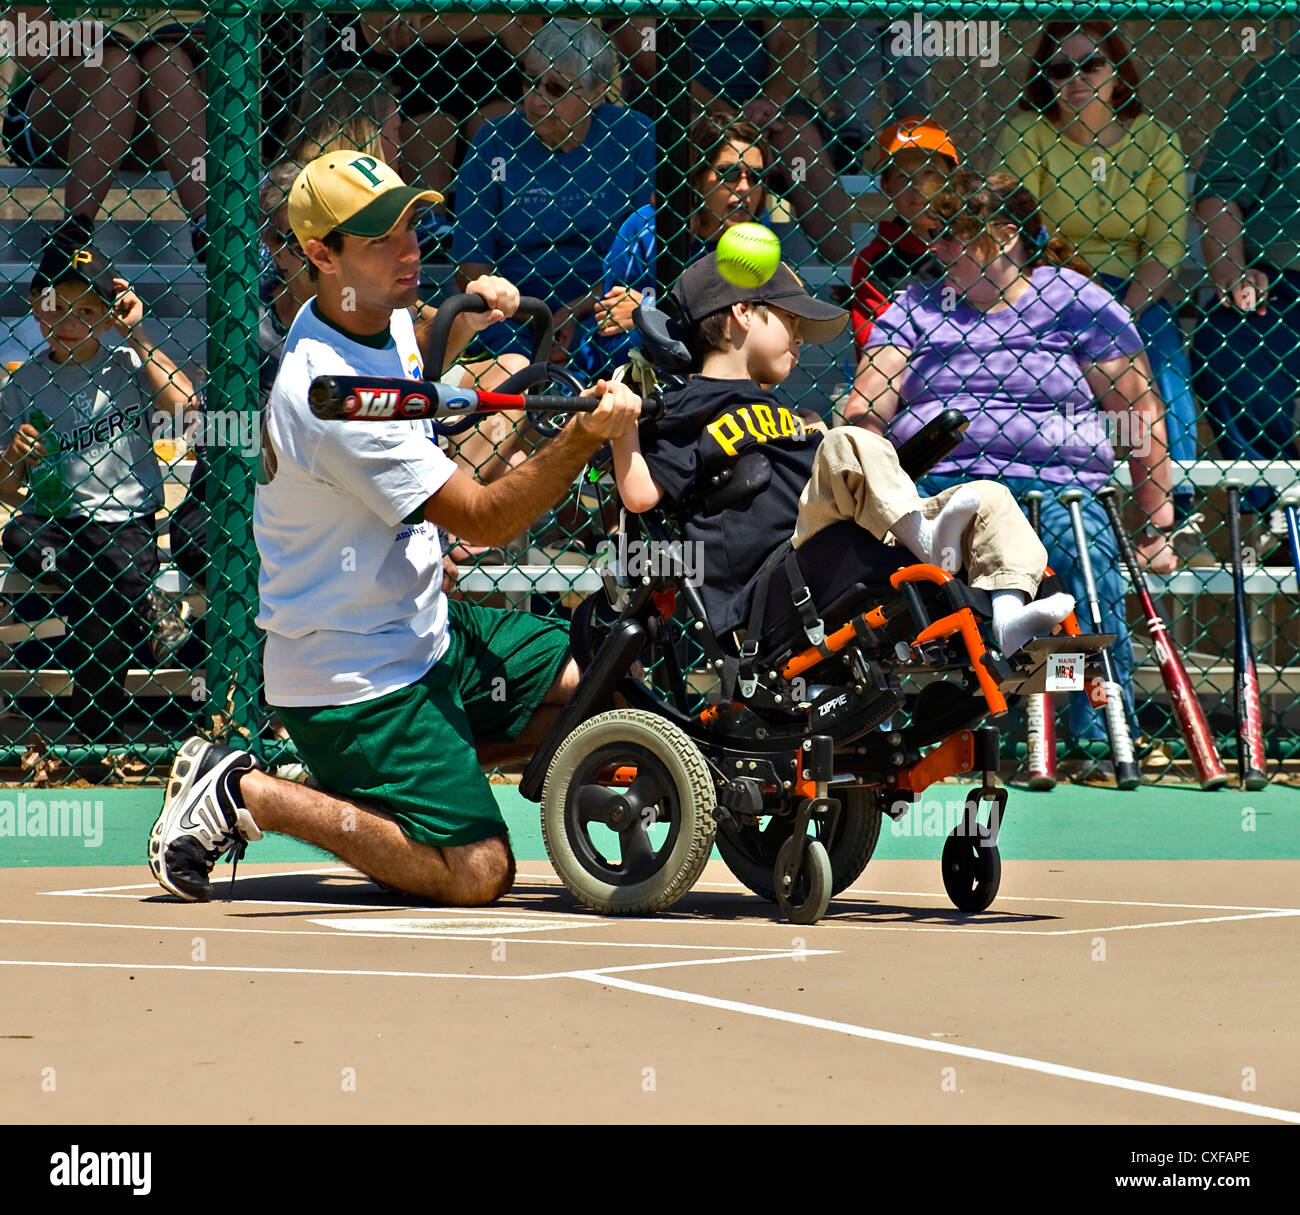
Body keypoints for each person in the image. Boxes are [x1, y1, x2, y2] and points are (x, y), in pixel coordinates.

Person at [147, 151, 641, 905]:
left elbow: (412, 371)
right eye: (380, 238)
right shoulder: (331, 393)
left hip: (421, 632)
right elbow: (488, 514)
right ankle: (247, 791)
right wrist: (581, 440)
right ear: (321, 254)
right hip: (353, 678)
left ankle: (366, 788)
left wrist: (463, 315)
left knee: (601, 681)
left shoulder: (372, 315)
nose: (409, 249)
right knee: (477, 871)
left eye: (411, 226)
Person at [844, 169, 1177, 776]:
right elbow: (870, 399)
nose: (934, 249)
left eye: (949, 236)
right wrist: (871, 459)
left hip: (1059, 491)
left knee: (1085, 563)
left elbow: (1135, 405)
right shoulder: (917, 306)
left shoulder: (1076, 299)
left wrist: (1157, 521)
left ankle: (1096, 730)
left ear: (999, 238)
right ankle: (927, 728)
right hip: (950, 492)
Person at [608, 252, 1074, 663]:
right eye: (790, 320)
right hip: (772, 584)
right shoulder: (686, 407)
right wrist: (622, 428)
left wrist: (807, 434)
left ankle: (1008, 613)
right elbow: (641, 496)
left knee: (988, 496)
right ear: (743, 313)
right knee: (846, 439)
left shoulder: (783, 413)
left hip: (828, 549)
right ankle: (927, 543)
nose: (801, 337)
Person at [996, 22, 1196, 521]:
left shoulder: (1155, 139)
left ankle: (1178, 505)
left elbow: (1166, 244)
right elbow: (1020, 229)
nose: (1077, 79)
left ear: (1117, 72)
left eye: (1091, 65)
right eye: (1062, 68)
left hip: (1134, 289)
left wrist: (1117, 314)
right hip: (1052, 281)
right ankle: (1054, 490)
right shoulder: (1028, 132)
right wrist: (1073, 298)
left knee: (1165, 368)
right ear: (1046, 78)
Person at [0, 243, 195, 744]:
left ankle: (91, 733)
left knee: (100, 598)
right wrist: (15, 455)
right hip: (54, 524)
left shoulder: (128, 363)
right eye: (56, 306)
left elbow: (185, 408)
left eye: (86, 310)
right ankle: (146, 605)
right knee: (19, 535)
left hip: (125, 518)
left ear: (109, 318)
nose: (68, 320)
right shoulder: (23, 384)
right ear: (35, 308)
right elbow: (4, 486)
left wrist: (139, 332)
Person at [453, 17, 656, 368]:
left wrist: (575, 312)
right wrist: (538, 317)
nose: (535, 100)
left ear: (596, 94)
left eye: (556, 88)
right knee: (505, 365)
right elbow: (471, 265)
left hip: (600, 301)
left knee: (633, 334)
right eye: (530, 81)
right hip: (512, 309)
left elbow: (645, 252)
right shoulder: (494, 142)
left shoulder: (633, 135)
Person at [571, 104, 775, 379]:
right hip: (627, 384)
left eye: (755, 176)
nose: (743, 187)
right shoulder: (646, 228)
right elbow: (614, 336)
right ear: (698, 177)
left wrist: (649, 315)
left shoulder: (760, 241)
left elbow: (759, 344)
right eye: (728, 172)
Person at [1192, 45, 1300, 547]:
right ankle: (1282, 502)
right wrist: (1235, 275)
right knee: (1225, 343)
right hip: (1284, 280)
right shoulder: (1281, 77)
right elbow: (1220, 190)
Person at [0, 6, 207, 257]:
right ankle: (73, 235)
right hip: (61, 108)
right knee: (116, 64)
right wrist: (77, 39)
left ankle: (207, 227)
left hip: (167, 119)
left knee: (165, 58)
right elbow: (31, 54)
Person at [682, 17, 854, 264]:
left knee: (798, 137)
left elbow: (788, 43)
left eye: (754, 177)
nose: (745, 185)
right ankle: (682, 270)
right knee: (684, 130)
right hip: (679, 101)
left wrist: (768, 104)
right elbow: (648, 56)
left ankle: (851, 277)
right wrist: (730, 120)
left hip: (763, 111)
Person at [849, 117, 957, 360]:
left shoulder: (979, 246)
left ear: (952, 177)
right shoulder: (874, 262)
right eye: (902, 176)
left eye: (929, 172)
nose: (917, 186)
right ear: (886, 187)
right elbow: (877, 348)